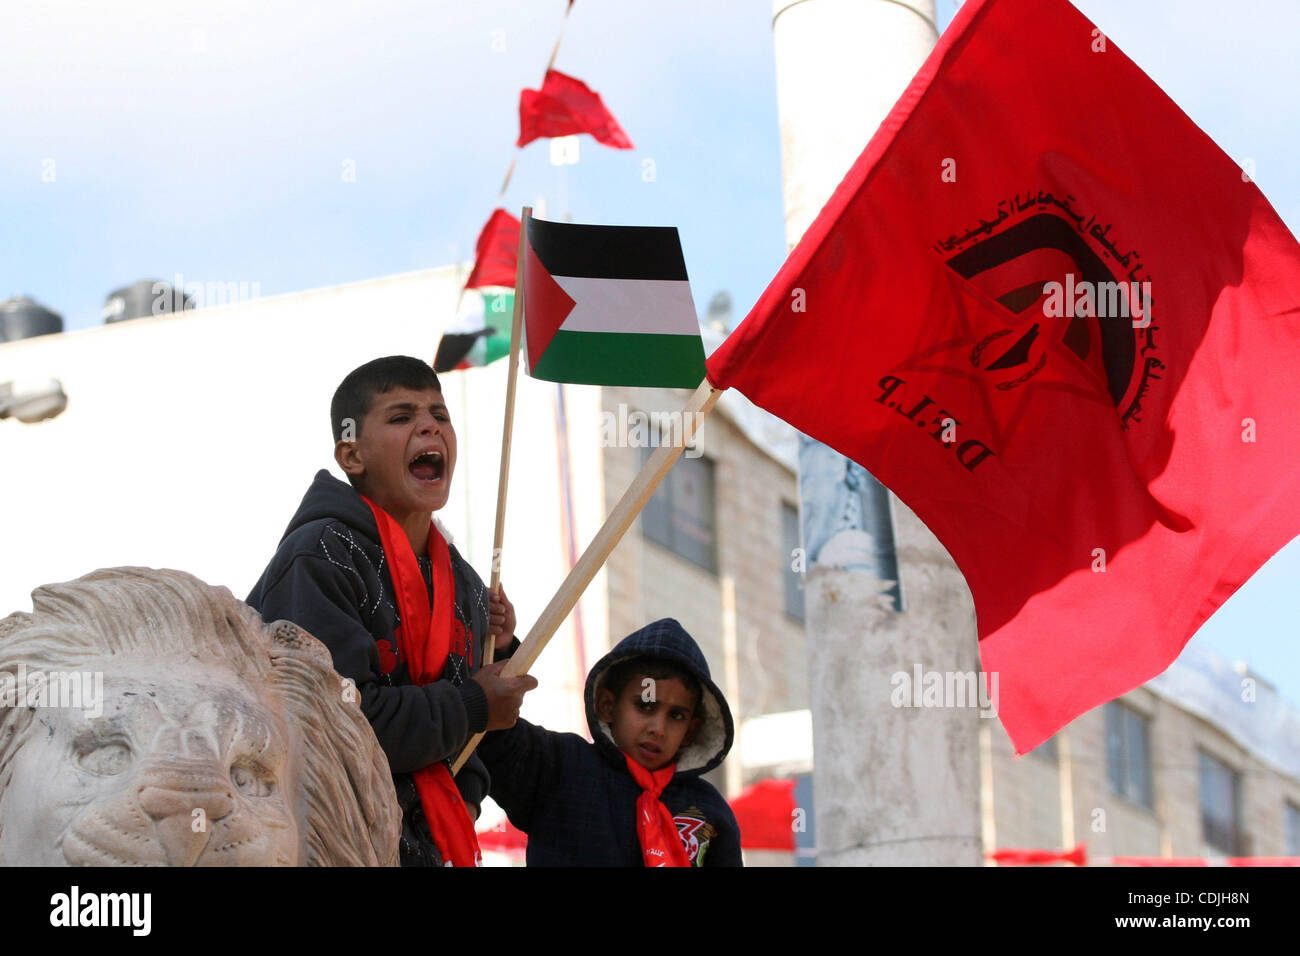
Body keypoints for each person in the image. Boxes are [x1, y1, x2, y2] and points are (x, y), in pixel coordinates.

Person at [246, 355, 536, 866]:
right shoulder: (319, 554)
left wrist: (465, 793)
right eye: (401, 417)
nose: (429, 425)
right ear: (351, 454)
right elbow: (338, 726)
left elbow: (470, 745)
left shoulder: (466, 584)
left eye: (439, 416)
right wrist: (473, 702)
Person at [480, 618, 742, 866]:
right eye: (645, 707)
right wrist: (501, 650)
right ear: (607, 706)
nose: (658, 729)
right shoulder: (562, 766)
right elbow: (493, 733)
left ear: (690, 731)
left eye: (676, 715)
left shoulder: (710, 809)